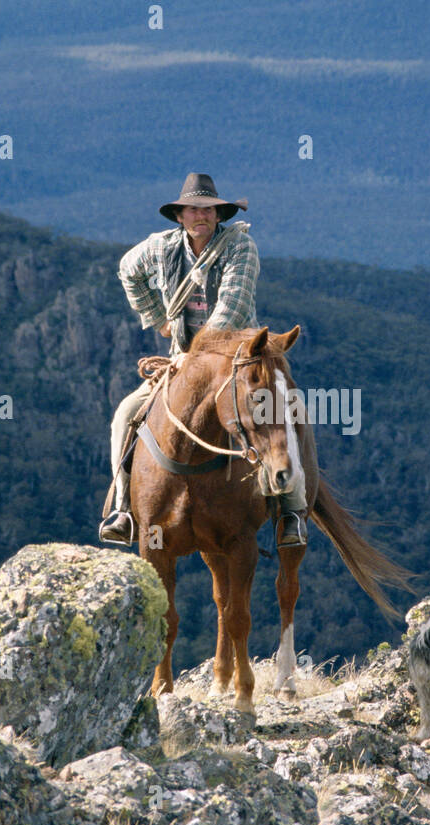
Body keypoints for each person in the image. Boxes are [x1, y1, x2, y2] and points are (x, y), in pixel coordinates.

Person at [99, 172, 309, 548]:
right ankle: (123, 509)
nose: (202, 216)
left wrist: (195, 360)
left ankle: (292, 509)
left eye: (209, 210)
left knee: (282, 410)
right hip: (181, 357)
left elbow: (230, 310)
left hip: (240, 356)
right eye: (193, 209)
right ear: (179, 216)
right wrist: (158, 319)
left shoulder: (240, 248)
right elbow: (128, 270)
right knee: (125, 416)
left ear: (219, 215)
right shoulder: (160, 248)